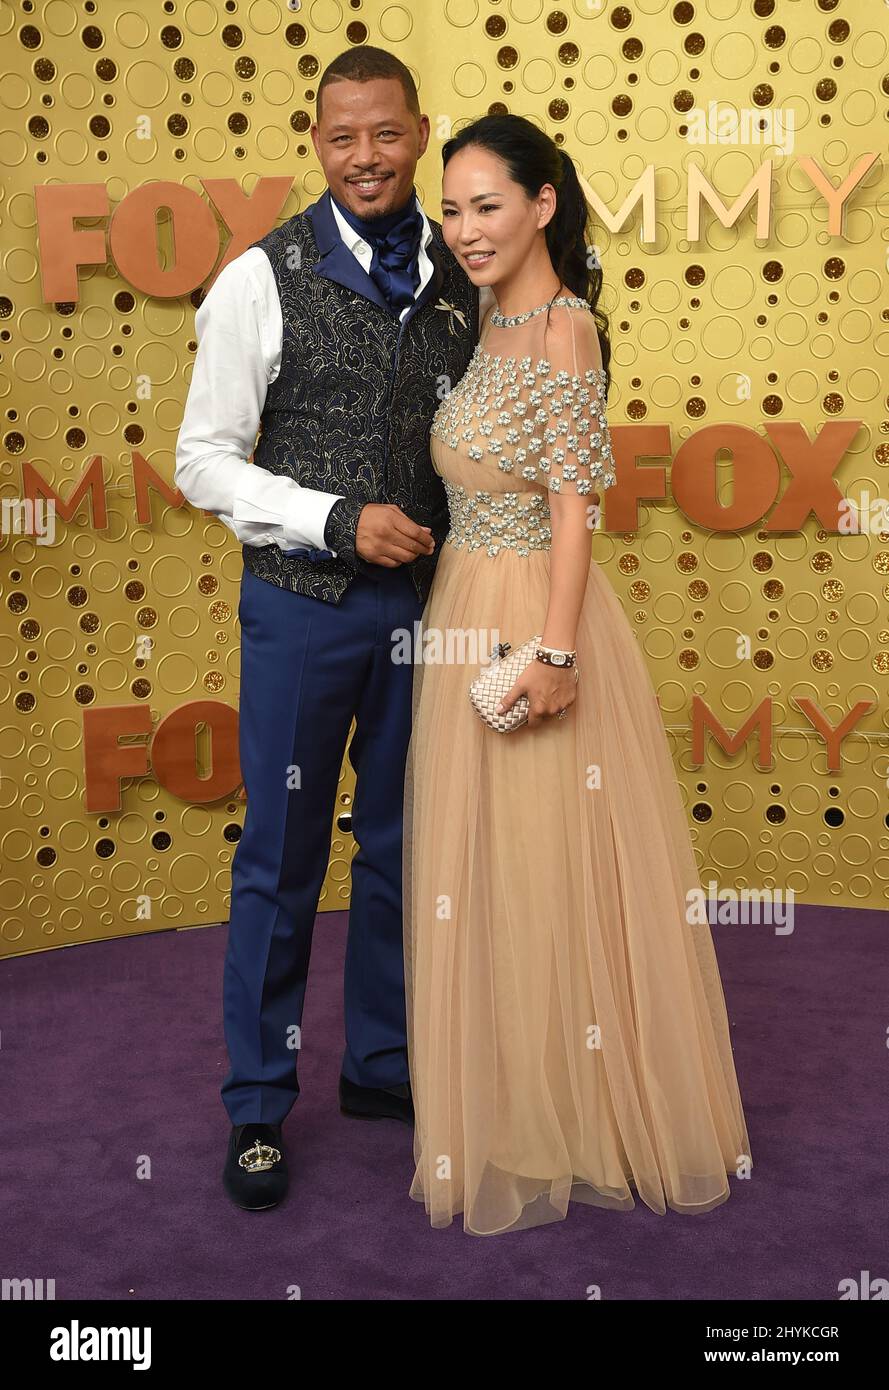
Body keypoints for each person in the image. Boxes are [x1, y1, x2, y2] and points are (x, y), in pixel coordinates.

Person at [402, 114, 752, 1235]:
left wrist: (552, 654)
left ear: (544, 203)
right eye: (451, 209)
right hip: (464, 604)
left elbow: (572, 508)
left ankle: (580, 1115)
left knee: (547, 862)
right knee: (492, 866)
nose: (464, 228)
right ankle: (516, 1103)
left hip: (531, 624)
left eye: (486, 204)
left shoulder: (561, 331)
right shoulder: (484, 321)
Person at [174, 46, 478, 1209]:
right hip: (302, 611)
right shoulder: (261, 277)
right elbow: (201, 460)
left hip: (430, 619)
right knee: (280, 862)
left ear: (418, 132)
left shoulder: (464, 269)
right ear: (316, 142)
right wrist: (336, 516)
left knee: (404, 855)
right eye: (342, 136)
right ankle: (257, 1103)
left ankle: (380, 1065)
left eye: (387, 134)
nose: (366, 156)